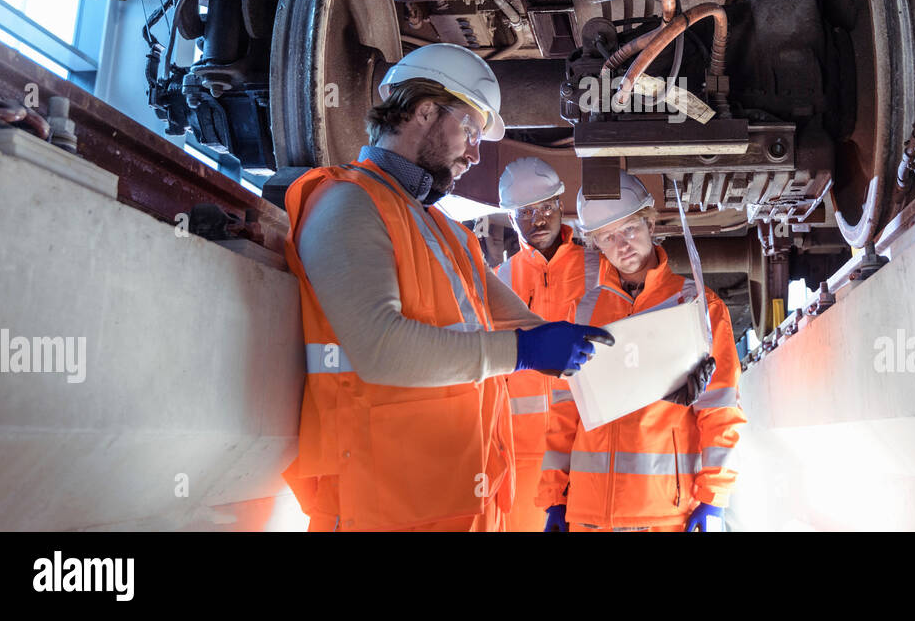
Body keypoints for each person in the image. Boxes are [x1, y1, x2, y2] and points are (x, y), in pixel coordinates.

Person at [280, 43, 613, 531]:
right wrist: (522, 352)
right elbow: (381, 350)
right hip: (378, 510)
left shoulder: (448, 231)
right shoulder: (347, 204)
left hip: (463, 507)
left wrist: (652, 374)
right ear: (424, 111)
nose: (476, 154)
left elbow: (533, 330)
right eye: (471, 131)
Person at [536, 172, 745, 531]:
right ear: (596, 243)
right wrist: (554, 498)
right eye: (608, 237)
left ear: (650, 223)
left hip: (665, 512)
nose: (622, 245)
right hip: (589, 515)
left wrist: (714, 497)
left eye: (630, 229)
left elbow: (720, 409)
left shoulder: (697, 306)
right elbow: (563, 413)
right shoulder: (580, 313)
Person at [494, 157, 596, 531]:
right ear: (510, 218)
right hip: (522, 462)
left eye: (544, 207)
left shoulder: (598, 269)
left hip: (590, 445)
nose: (536, 220)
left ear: (559, 204)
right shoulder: (498, 282)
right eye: (524, 212)